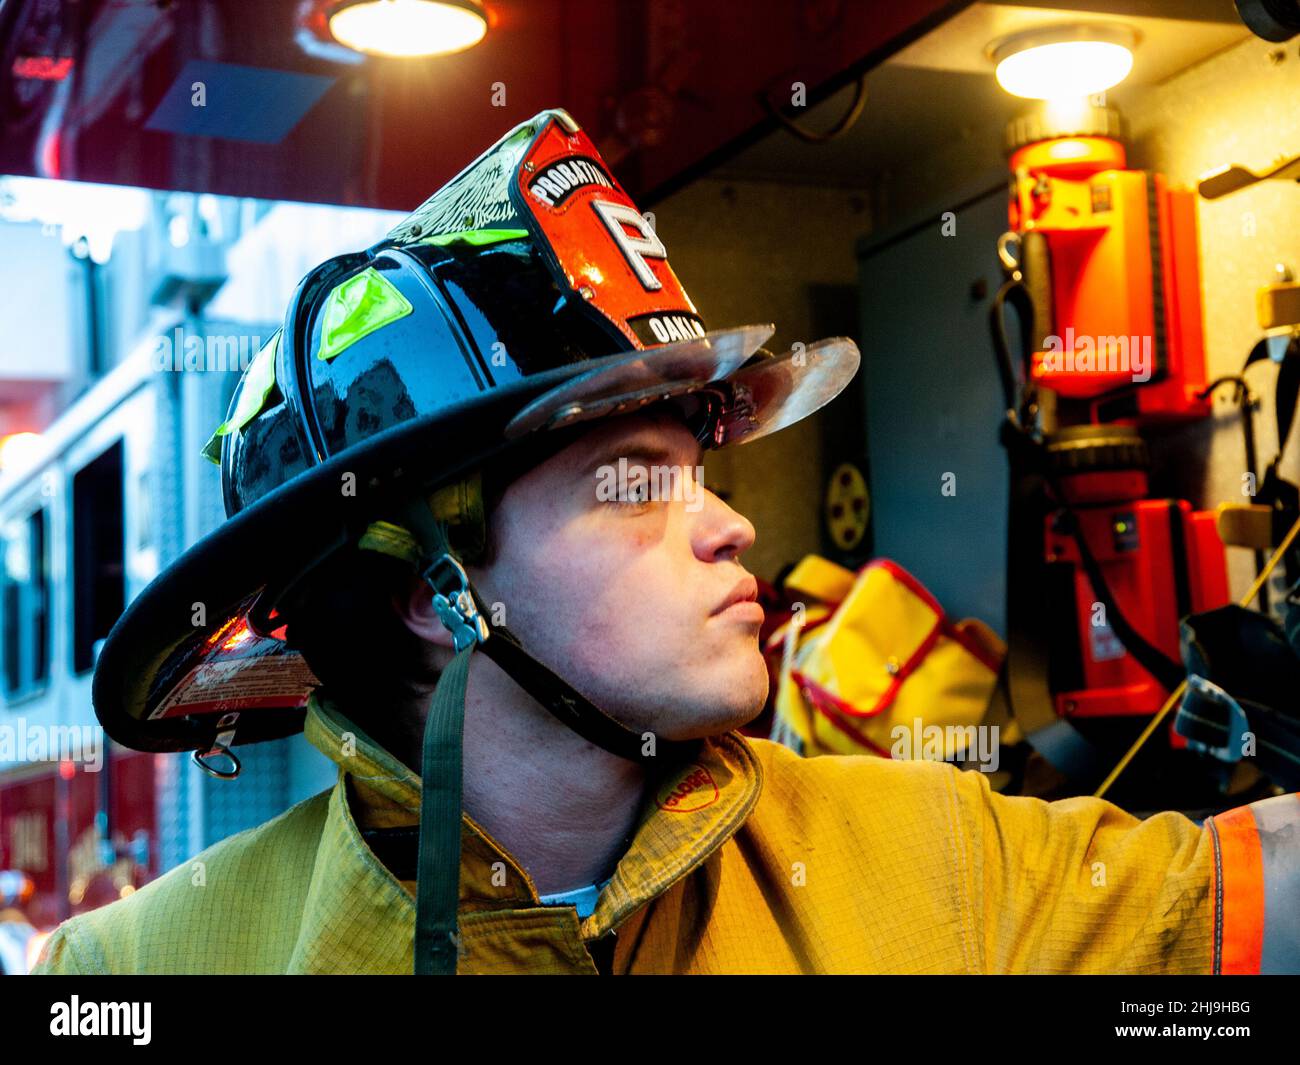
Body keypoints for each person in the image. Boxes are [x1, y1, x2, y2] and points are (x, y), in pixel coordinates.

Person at [34, 109, 1298, 976]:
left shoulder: (939, 856)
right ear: (434, 589)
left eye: (702, 470)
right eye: (637, 481)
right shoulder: (141, 967)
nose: (734, 523)